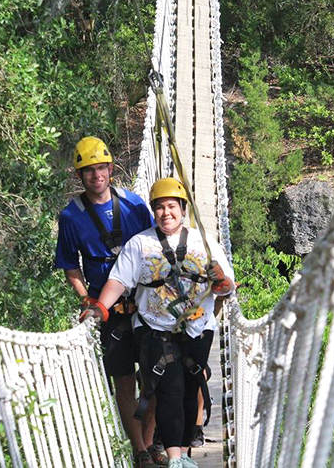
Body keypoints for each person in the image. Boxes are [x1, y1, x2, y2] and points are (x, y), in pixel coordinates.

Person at [81, 177, 235, 468]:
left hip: (198, 328)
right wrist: (101, 306)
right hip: (154, 328)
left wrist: (221, 282)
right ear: (153, 211)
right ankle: (175, 458)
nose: (166, 213)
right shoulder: (140, 244)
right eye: (160, 207)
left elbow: (228, 289)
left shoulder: (205, 242)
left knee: (192, 388)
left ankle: (186, 452)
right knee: (169, 389)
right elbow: (118, 280)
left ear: (183, 209)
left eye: (172, 206)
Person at [55, 136, 163, 468]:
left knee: (155, 378)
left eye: (100, 168)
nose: (96, 176)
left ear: (111, 170)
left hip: (146, 304)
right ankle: (140, 451)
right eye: (88, 171)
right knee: (124, 381)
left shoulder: (134, 205)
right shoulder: (71, 217)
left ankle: (150, 440)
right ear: (79, 176)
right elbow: (70, 265)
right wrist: (88, 298)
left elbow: (156, 246)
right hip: (108, 311)